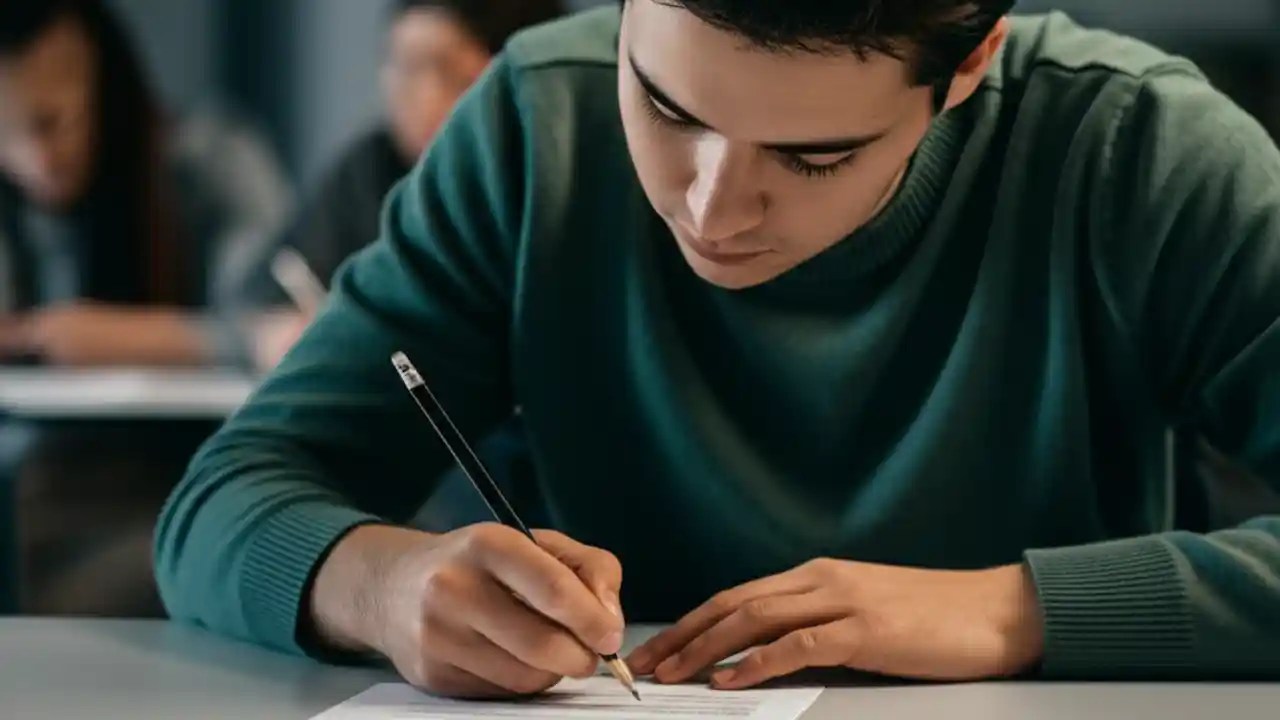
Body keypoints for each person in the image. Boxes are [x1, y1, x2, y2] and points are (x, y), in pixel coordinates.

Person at [156, 0, 1280, 700]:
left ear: (973, 59)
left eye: (814, 156)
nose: (710, 207)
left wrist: (1009, 613)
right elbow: (225, 497)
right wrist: (382, 586)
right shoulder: (532, 128)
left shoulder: (1144, 157)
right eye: (665, 105)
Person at [247, 0, 564, 370]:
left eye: (448, 71)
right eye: (403, 66)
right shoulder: (372, 168)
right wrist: (281, 332)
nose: (422, 96)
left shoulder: (551, 180)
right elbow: (274, 286)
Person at [0, 0, 293, 368]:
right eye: (3, 132)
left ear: (102, 84)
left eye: (51, 122)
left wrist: (130, 340)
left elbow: (281, 330)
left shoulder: (215, 162)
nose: (36, 160)